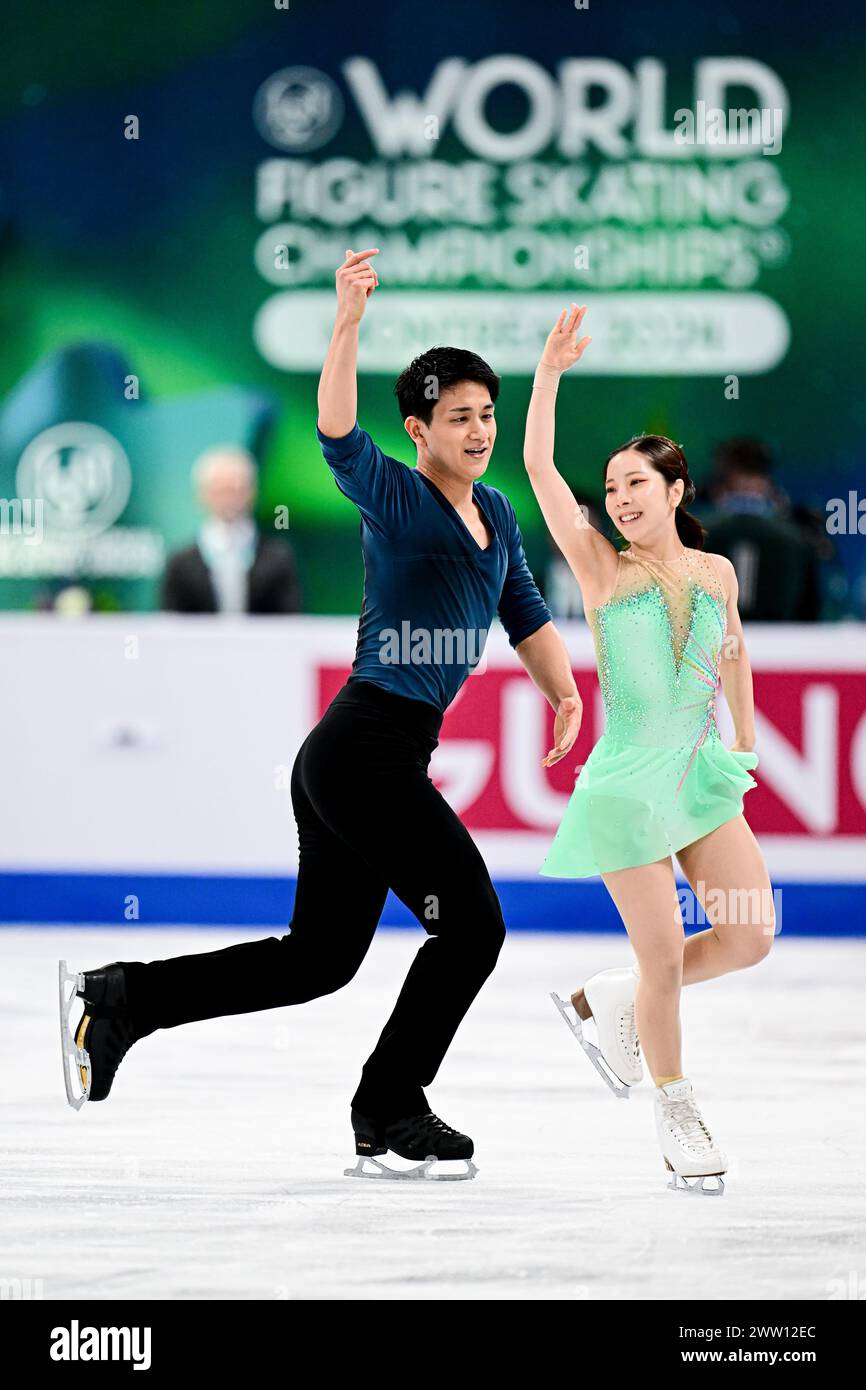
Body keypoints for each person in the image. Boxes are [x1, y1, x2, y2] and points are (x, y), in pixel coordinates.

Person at [59, 249, 583, 1181]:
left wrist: (565, 690)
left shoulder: (498, 514)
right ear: (417, 429)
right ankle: (389, 1103)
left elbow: (527, 612)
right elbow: (337, 430)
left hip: (366, 758)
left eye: (487, 415)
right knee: (471, 928)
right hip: (362, 751)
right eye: (458, 416)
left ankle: (123, 998)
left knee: (318, 960)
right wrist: (347, 322)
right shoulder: (394, 497)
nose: (478, 430)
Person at [525, 305, 775, 1195]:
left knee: (750, 935)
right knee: (665, 955)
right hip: (628, 786)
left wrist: (743, 738)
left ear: (676, 492)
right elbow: (539, 470)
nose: (622, 499)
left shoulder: (716, 573)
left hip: (701, 777)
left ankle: (608, 993)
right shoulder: (601, 571)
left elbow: (734, 650)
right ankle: (675, 1108)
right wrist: (549, 373)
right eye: (613, 488)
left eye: (638, 484)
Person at [161, 445, 300, 615]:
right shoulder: (181, 563)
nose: (229, 500)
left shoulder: (278, 558)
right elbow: (170, 626)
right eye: (221, 491)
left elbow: (290, 622)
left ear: (252, 492)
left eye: (237, 490)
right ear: (202, 495)